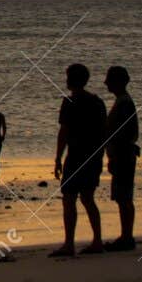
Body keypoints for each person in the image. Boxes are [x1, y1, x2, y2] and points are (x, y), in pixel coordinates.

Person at [52, 63, 107, 257]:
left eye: (68, 77)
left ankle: (69, 243)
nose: (66, 80)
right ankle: (97, 240)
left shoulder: (70, 102)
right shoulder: (97, 102)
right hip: (93, 155)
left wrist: (58, 157)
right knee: (87, 198)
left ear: (72, 80)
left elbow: (64, 132)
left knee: (69, 197)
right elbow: (103, 131)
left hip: (76, 155)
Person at [104, 65, 139, 252]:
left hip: (123, 154)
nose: (105, 82)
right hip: (122, 153)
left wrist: (115, 155)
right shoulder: (123, 101)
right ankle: (126, 235)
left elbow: (124, 132)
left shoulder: (124, 103)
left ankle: (127, 236)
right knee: (122, 197)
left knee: (124, 196)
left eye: (109, 79)